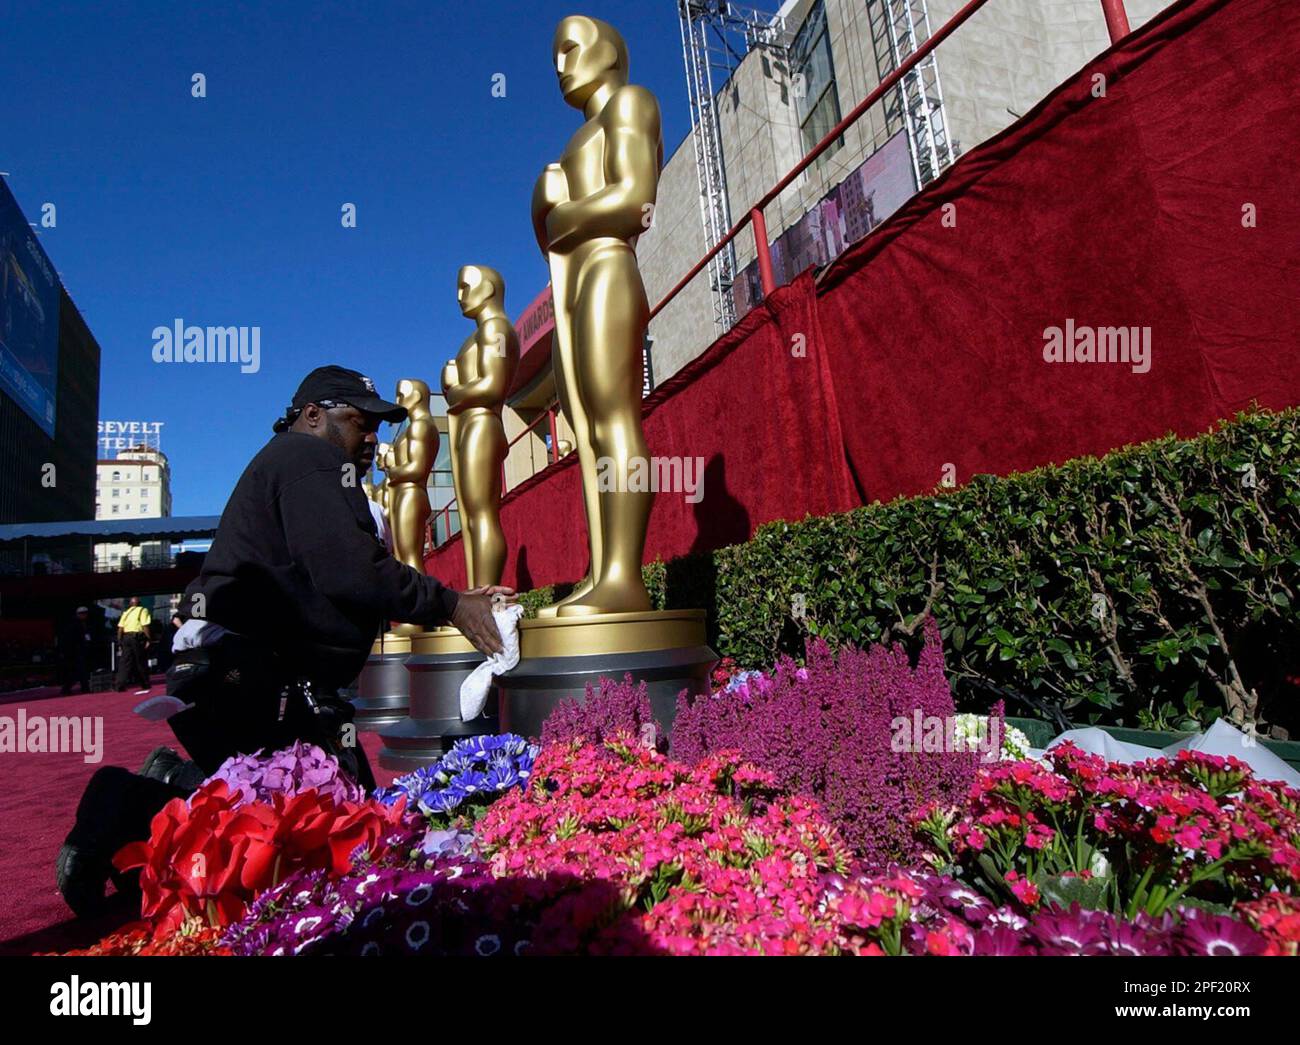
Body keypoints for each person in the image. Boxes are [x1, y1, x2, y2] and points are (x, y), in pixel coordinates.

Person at [57, 364, 511, 916]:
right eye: (360, 421)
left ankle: (176, 784)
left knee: (340, 820)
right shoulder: (308, 459)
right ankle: (134, 802)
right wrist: (453, 605)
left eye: (377, 425)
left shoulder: (303, 465)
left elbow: (338, 574)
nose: (372, 436)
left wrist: (449, 599)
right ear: (313, 415)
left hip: (244, 670)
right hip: (244, 671)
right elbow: (350, 569)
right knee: (322, 828)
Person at [114, 596, 152, 693]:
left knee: (125, 661)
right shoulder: (142, 610)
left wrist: (120, 640)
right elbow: (145, 625)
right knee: (140, 660)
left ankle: (120, 684)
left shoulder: (126, 612)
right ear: (139, 603)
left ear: (130, 604)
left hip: (126, 637)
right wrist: (148, 638)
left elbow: (120, 628)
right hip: (137, 638)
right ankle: (145, 683)